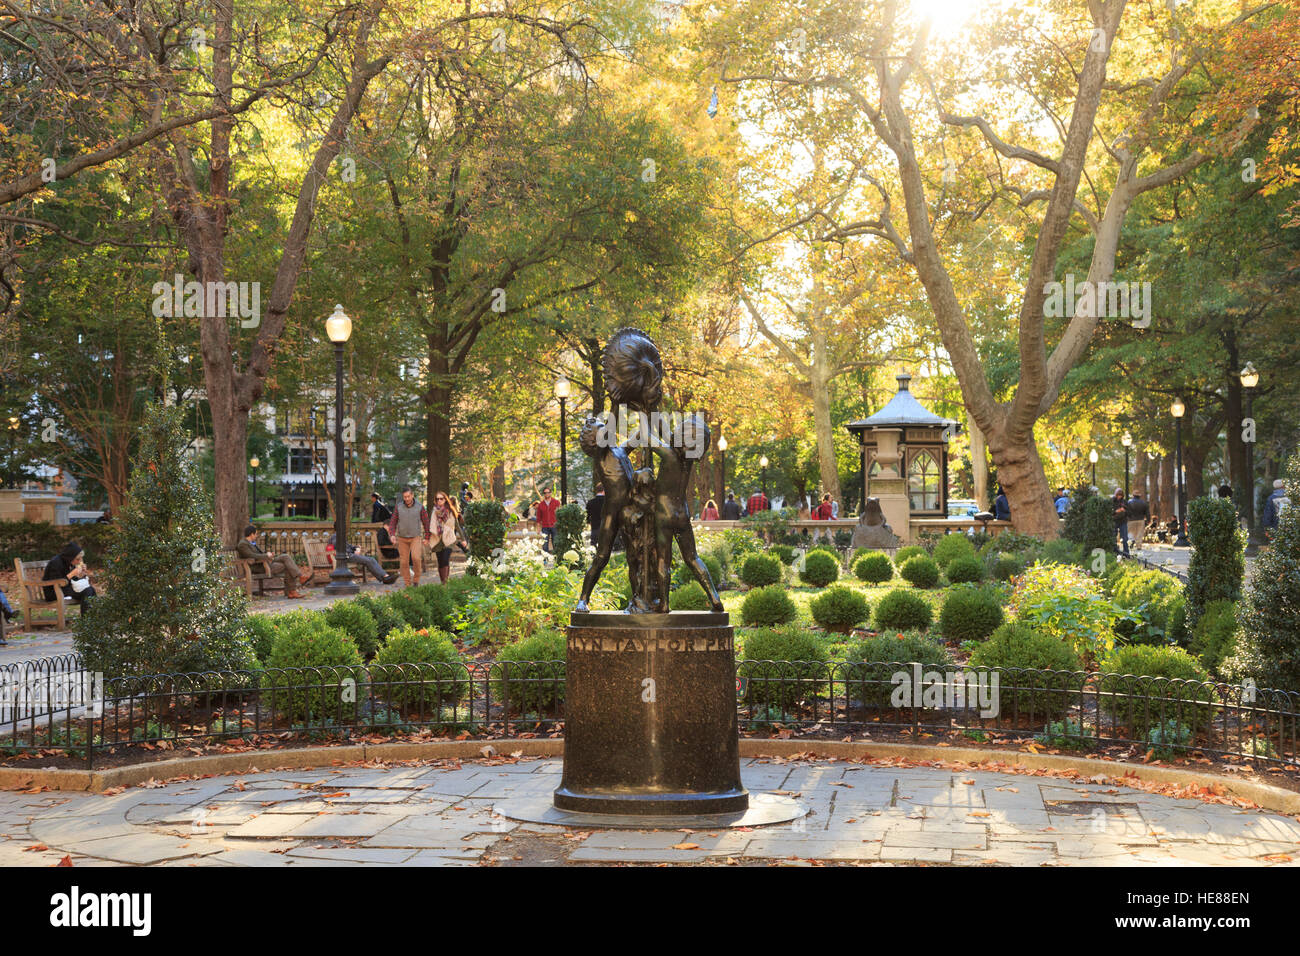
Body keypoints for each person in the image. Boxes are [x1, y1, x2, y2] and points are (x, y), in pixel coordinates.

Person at [646, 415, 723, 612]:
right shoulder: (688, 460)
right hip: (682, 513)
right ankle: (714, 597)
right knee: (692, 557)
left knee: (663, 559)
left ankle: (664, 603)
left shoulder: (669, 455)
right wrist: (656, 418)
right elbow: (667, 434)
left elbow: (646, 438)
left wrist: (645, 419)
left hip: (664, 514)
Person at [236, 527, 311, 598]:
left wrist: (269, 555)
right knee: (287, 566)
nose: (256, 536)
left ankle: (299, 578)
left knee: (285, 556)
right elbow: (251, 555)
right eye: (256, 534)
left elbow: (258, 554)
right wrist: (266, 555)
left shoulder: (251, 542)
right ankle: (292, 591)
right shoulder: (243, 544)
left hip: (264, 562)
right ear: (251, 534)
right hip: (258, 567)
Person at [385, 487, 431, 587]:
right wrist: (392, 534)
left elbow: (426, 522)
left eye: (408, 496)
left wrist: (427, 537)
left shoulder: (420, 507)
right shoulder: (399, 507)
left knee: (416, 558)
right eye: (405, 497)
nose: (406, 499)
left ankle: (416, 580)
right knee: (404, 562)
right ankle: (407, 583)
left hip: (415, 537)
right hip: (402, 538)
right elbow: (393, 522)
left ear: (412, 495)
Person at [326, 533, 396, 584]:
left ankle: (385, 577)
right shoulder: (336, 537)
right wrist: (354, 551)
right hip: (346, 557)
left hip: (349, 555)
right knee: (369, 560)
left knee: (370, 559)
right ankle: (385, 577)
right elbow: (341, 549)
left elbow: (350, 546)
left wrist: (357, 548)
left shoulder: (340, 535)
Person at [42, 541, 97, 607]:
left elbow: (72, 579)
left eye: (80, 559)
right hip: (54, 592)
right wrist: (72, 574)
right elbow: (56, 582)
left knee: (91, 590)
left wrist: (81, 574)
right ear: (70, 557)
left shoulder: (68, 562)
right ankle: (85, 616)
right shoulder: (56, 562)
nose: (79, 561)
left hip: (65, 588)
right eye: (77, 559)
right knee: (87, 591)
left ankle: (93, 615)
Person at [430, 490, 467, 584]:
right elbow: (430, 525)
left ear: (445, 499)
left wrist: (463, 539)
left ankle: (445, 584)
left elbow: (457, 526)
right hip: (438, 539)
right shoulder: (434, 511)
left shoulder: (451, 511)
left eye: (441, 499)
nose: (439, 500)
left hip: (449, 538)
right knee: (440, 562)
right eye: (437, 499)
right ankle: (443, 582)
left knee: (445, 559)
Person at [535, 486, 560, 553]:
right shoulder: (541, 505)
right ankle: (545, 560)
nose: (547, 494)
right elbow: (538, 517)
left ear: (550, 493)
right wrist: (538, 528)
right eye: (545, 493)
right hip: (545, 527)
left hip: (554, 526)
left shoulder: (556, 502)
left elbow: (559, 514)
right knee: (545, 544)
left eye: (548, 492)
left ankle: (556, 558)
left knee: (556, 543)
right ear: (544, 494)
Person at [1111, 488, 1129, 555]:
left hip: (1123, 521)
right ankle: (1115, 551)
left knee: (1125, 538)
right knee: (1113, 537)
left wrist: (1124, 510)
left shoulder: (1124, 501)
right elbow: (1109, 511)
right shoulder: (1111, 501)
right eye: (1118, 495)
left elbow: (1129, 512)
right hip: (1114, 521)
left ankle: (1126, 553)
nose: (1119, 497)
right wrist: (1116, 511)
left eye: (1121, 495)